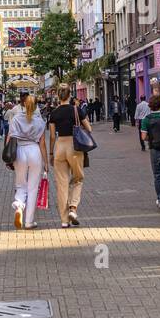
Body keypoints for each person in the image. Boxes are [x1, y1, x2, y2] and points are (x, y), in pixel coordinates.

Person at [48, 84, 88, 228]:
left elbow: (52, 136)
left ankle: (64, 220)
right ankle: (73, 208)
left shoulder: (53, 113)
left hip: (59, 146)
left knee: (61, 184)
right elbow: (89, 128)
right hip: (74, 146)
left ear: (58, 96)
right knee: (78, 178)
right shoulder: (76, 110)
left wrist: (51, 153)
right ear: (70, 95)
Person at [7, 94, 48, 230]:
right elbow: (42, 143)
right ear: (36, 106)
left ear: (24, 104)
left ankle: (19, 206)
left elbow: (9, 138)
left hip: (19, 151)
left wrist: (8, 156)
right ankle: (29, 221)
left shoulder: (16, 119)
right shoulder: (40, 121)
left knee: (20, 184)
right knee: (33, 187)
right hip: (34, 151)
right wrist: (46, 162)